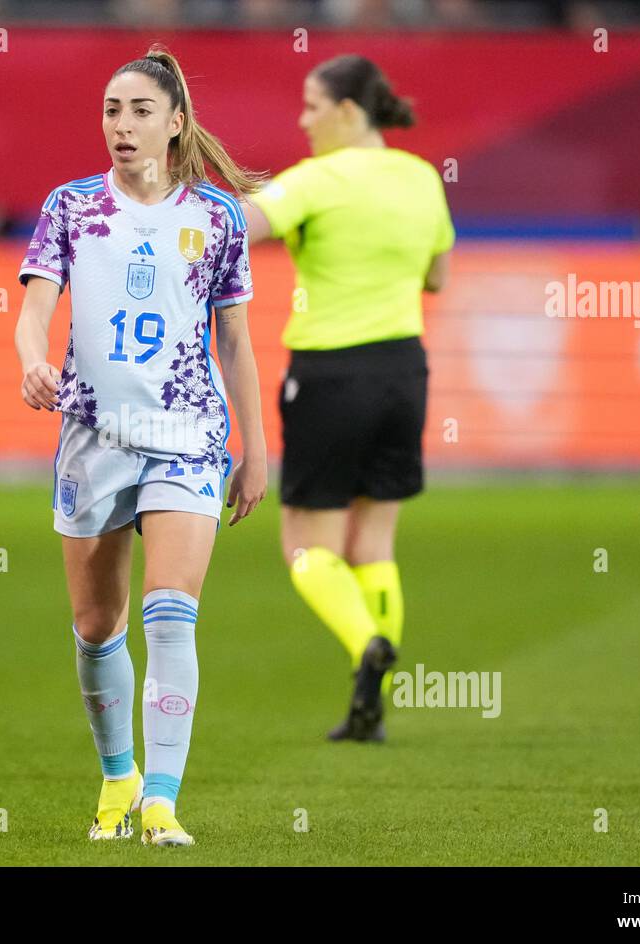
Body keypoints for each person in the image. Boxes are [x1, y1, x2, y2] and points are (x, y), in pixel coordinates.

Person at [13, 46, 267, 846]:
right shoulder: (71, 207)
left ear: (175, 123)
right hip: (92, 438)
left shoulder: (217, 218)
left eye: (140, 111)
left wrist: (253, 445)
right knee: (96, 627)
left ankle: (161, 799)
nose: (122, 126)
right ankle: (118, 772)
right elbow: (34, 308)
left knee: (171, 615)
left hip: (186, 436)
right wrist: (31, 358)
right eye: (112, 111)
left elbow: (235, 342)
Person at [243, 54, 454, 742]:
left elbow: (241, 227)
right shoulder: (422, 178)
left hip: (330, 373)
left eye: (311, 106)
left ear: (349, 111)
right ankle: (373, 703)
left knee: (308, 546)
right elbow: (438, 277)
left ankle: (365, 643)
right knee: (376, 543)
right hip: (404, 370)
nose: (302, 121)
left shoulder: (317, 180)